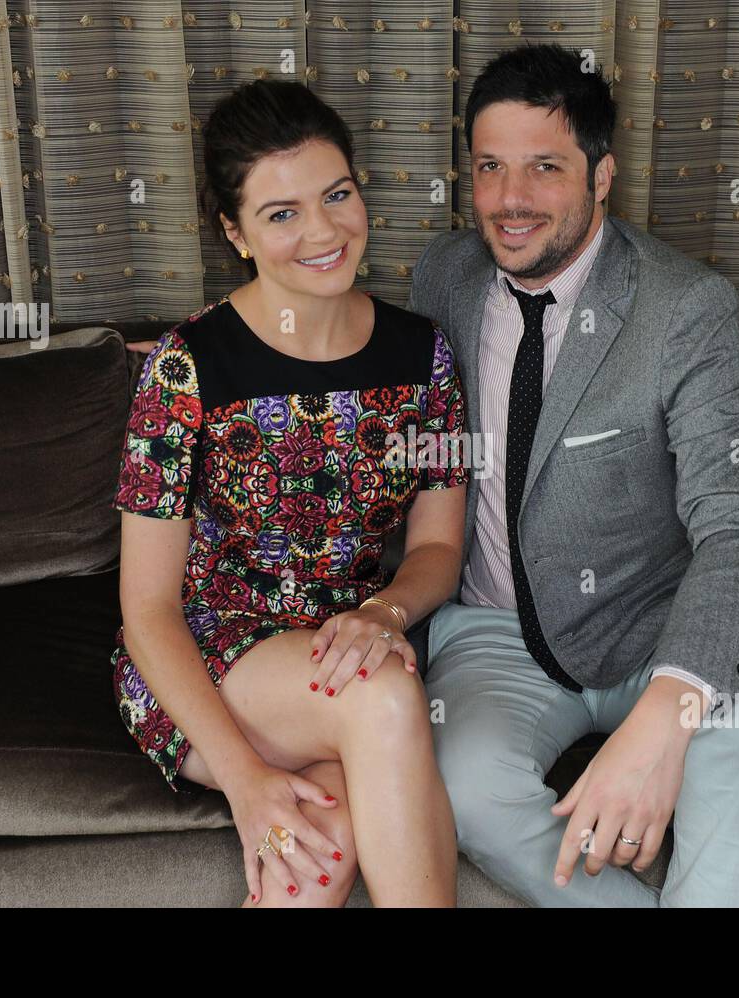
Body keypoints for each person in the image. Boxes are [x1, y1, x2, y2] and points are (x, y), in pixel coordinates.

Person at [406, 44, 739, 906]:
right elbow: (355, 353)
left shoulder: (685, 306)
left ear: (603, 173)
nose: (511, 201)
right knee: (460, 787)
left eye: (545, 167)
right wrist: (222, 341)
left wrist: (666, 712)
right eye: (490, 169)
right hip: (491, 630)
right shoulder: (442, 277)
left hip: (650, 625)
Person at [111, 80, 466, 907]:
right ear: (235, 232)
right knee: (382, 701)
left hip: (346, 644)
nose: (324, 231)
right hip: (204, 661)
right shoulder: (186, 367)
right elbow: (148, 612)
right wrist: (244, 781)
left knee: (332, 824)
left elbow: (440, 549)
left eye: (337, 194)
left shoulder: (426, 357)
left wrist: (386, 612)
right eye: (282, 214)